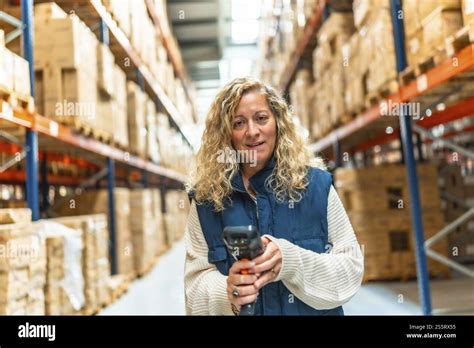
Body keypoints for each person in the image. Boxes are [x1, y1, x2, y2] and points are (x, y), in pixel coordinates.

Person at [184, 77, 363, 315]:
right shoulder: (207, 200)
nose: (252, 131)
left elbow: (350, 271)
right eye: (238, 123)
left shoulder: (316, 187)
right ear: (226, 133)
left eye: (261, 118)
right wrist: (227, 293)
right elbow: (193, 291)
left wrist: (289, 261)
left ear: (277, 122)